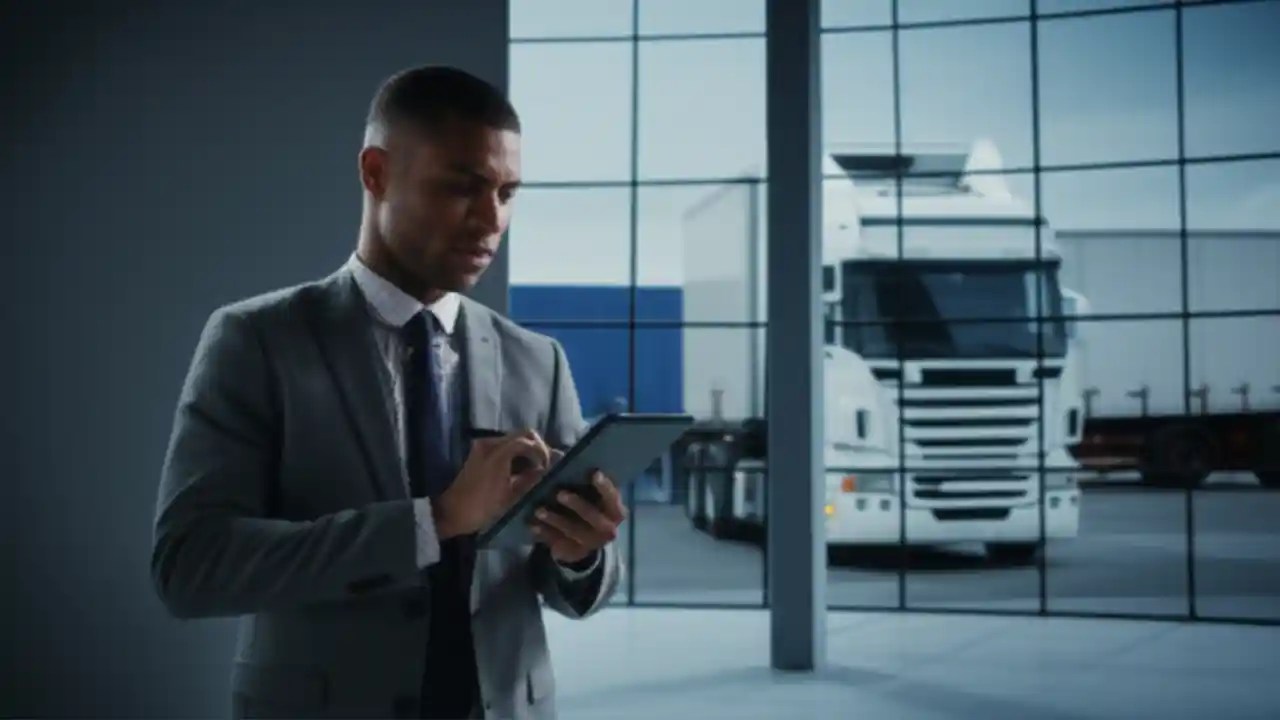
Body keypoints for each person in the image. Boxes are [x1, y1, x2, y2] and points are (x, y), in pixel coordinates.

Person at [150, 65, 625, 720]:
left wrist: (582, 555)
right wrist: (435, 521)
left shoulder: (538, 361)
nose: (492, 219)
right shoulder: (256, 341)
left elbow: (566, 583)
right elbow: (191, 567)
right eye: (463, 187)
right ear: (376, 173)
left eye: (507, 192)